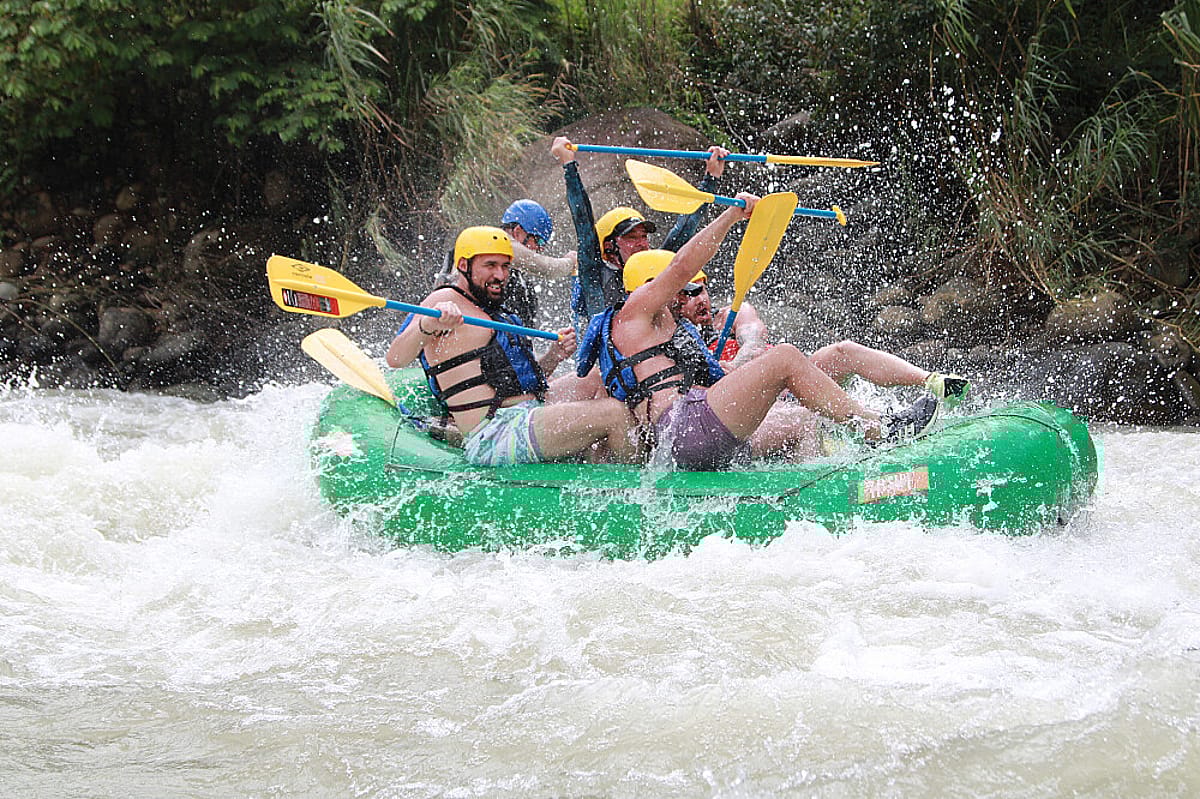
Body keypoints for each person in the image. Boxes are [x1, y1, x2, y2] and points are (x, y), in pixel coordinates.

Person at [576, 199, 942, 470]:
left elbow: (711, 380)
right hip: (683, 429)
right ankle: (877, 429)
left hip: (680, 435)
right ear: (649, 286)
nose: (685, 292)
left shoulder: (662, 331)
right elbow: (684, 260)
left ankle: (811, 487)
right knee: (783, 357)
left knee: (799, 417)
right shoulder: (635, 312)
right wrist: (731, 215)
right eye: (680, 288)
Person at [386, 226, 638, 466]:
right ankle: (636, 490)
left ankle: (600, 461)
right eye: (490, 266)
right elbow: (395, 358)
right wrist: (427, 324)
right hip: (493, 433)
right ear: (464, 265)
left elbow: (516, 382)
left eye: (505, 266)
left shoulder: (490, 306)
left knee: (601, 377)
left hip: (526, 410)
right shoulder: (443, 300)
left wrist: (554, 356)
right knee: (614, 413)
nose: (501, 275)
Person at [674, 271, 969, 405]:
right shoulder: (676, 341)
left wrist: (737, 365)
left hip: (790, 383)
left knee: (844, 351)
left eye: (700, 290)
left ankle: (933, 382)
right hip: (756, 407)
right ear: (674, 302)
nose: (698, 299)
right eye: (687, 294)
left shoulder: (731, 314)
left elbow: (754, 339)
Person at [550, 136, 729, 331]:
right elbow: (584, 226)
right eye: (632, 238)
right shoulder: (595, 277)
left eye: (644, 236)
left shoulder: (653, 268)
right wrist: (569, 165)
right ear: (609, 247)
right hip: (609, 357)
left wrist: (711, 178)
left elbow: (684, 229)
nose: (642, 244)